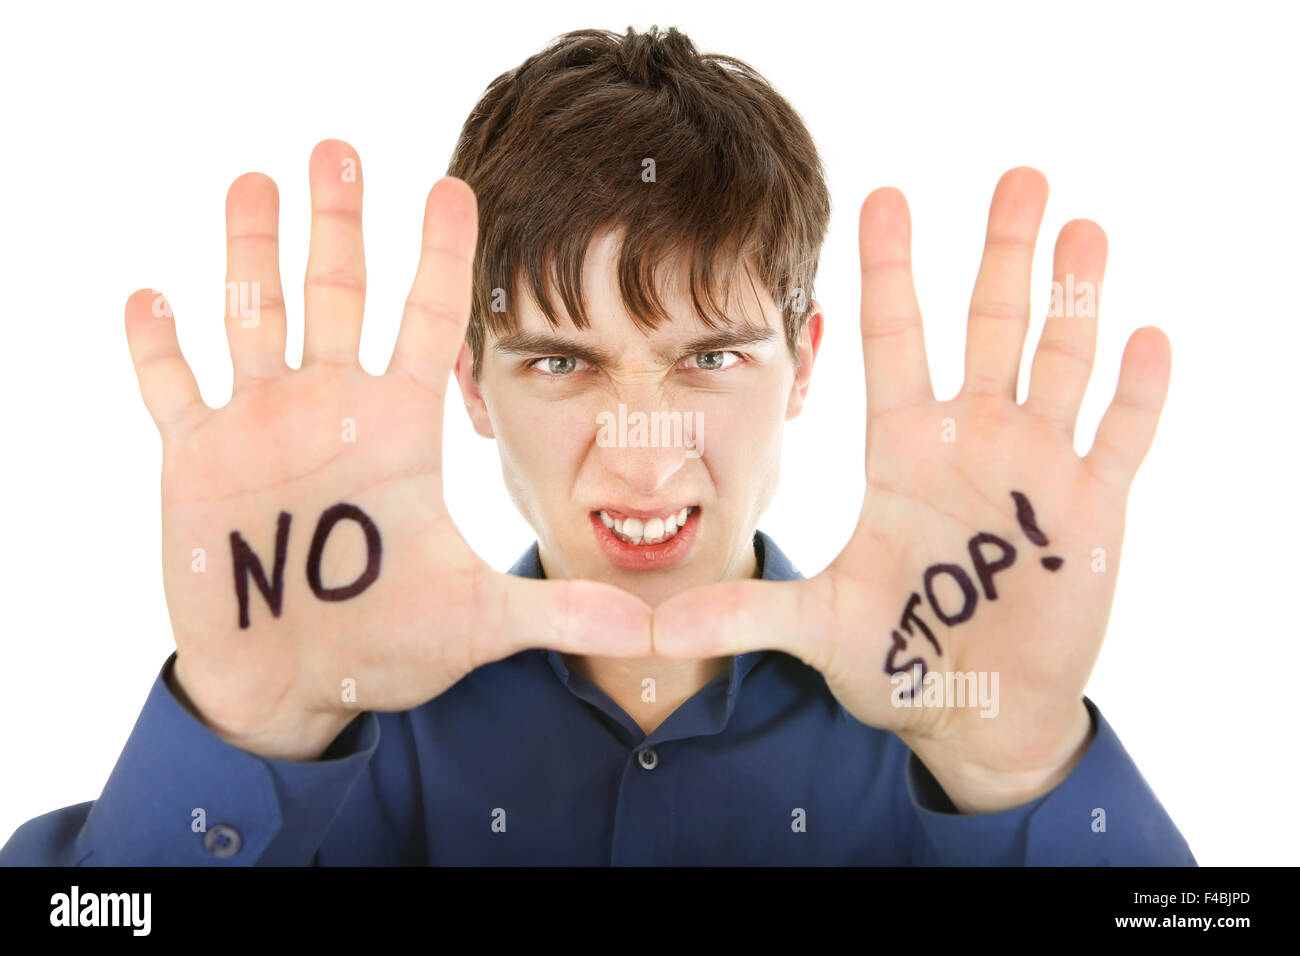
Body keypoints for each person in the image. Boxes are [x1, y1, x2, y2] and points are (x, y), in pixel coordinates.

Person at [1, 26, 1193, 865]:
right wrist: (243, 731)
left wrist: (1026, 771)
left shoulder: (934, 721)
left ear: (806, 366)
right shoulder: (349, 713)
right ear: (468, 382)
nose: (641, 455)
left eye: (710, 357)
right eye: (561, 362)